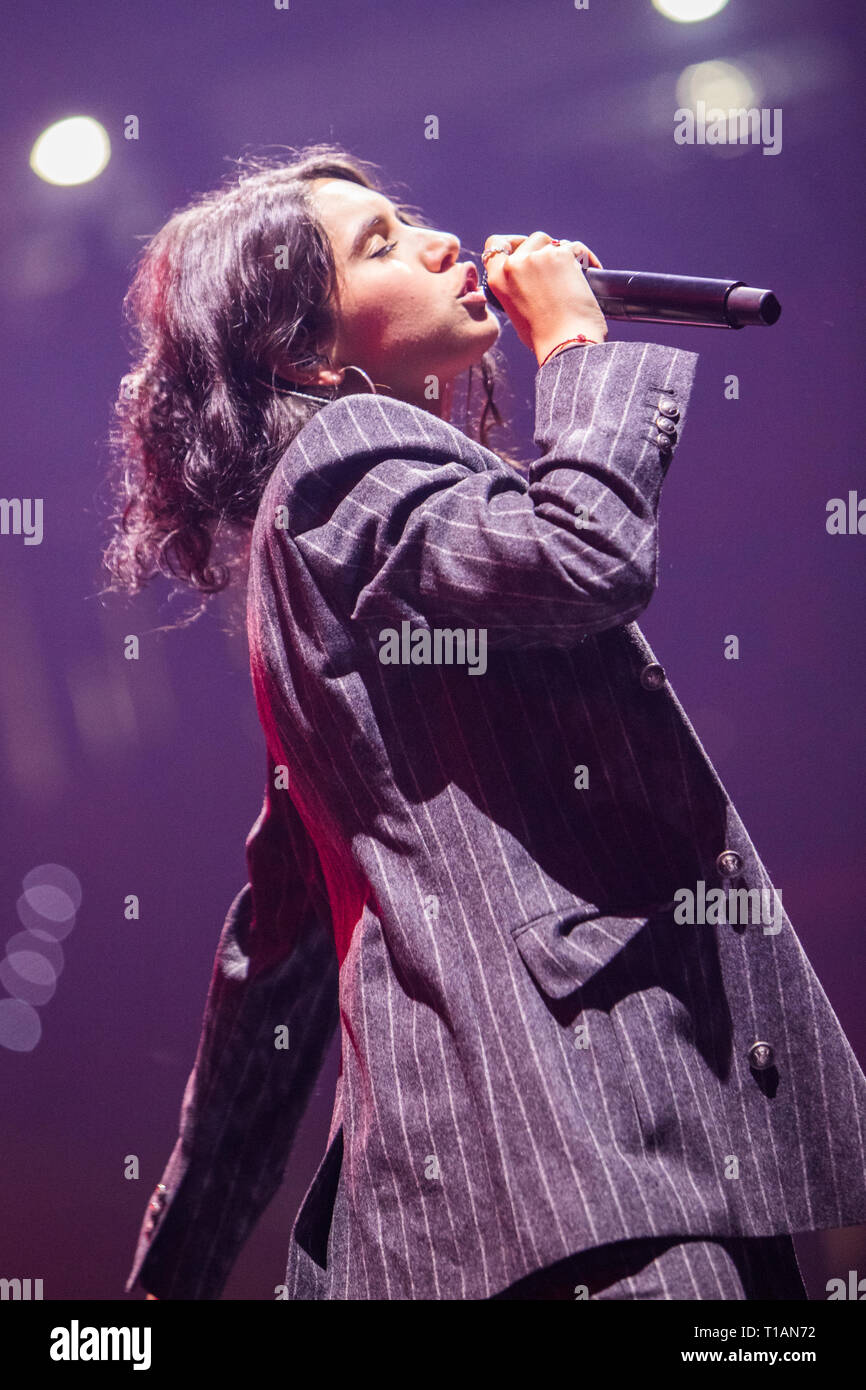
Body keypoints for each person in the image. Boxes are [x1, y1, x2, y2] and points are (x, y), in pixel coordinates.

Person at [105, 144, 866, 1301]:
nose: (438, 242)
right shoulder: (345, 461)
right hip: (594, 1155)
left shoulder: (324, 545)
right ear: (301, 350)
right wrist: (571, 349)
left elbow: (279, 947)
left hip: (523, 1198)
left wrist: (174, 1274)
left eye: (406, 219)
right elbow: (582, 555)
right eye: (377, 244)